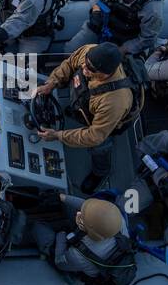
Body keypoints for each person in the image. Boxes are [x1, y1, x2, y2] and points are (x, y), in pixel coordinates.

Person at [31, 42, 142, 195]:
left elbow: (94, 136)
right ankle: (77, 111)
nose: (84, 69)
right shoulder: (90, 53)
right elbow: (70, 63)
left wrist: (58, 135)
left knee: (100, 147)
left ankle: (100, 173)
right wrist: (51, 83)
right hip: (85, 104)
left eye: (90, 69)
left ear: (106, 73)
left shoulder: (115, 101)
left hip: (104, 126)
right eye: (85, 64)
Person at [29, 194, 136, 285]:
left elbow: (59, 262)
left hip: (79, 260)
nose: (79, 212)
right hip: (86, 241)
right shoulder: (116, 220)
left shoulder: (78, 256)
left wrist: (61, 234)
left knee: (37, 227)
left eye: (83, 217)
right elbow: (91, 209)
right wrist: (61, 197)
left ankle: (70, 275)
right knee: (72, 210)